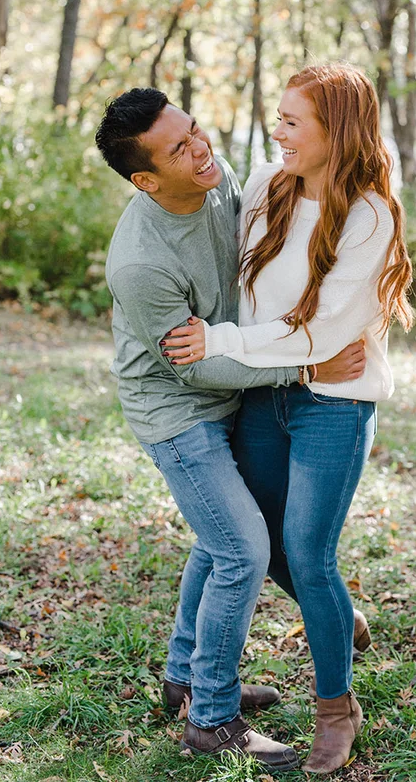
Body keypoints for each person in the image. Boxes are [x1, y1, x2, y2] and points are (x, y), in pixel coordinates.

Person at [94, 88, 368, 772]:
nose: (201, 149)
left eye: (195, 131)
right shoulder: (140, 262)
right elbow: (193, 373)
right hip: (178, 412)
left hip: (233, 390)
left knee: (220, 542)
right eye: (180, 149)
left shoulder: (220, 186)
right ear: (146, 180)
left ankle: (185, 679)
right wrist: (304, 366)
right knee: (243, 548)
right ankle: (212, 719)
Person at [161, 63, 413, 773]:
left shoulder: (370, 215)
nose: (279, 131)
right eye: (279, 117)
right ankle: (334, 615)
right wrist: (270, 354)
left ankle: (337, 708)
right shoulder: (267, 186)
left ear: (338, 132)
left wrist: (227, 345)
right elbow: (251, 299)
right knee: (255, 542)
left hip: (335, 403)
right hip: (264, 392)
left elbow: (327, 334)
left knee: (307, 550)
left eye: (294, 121)